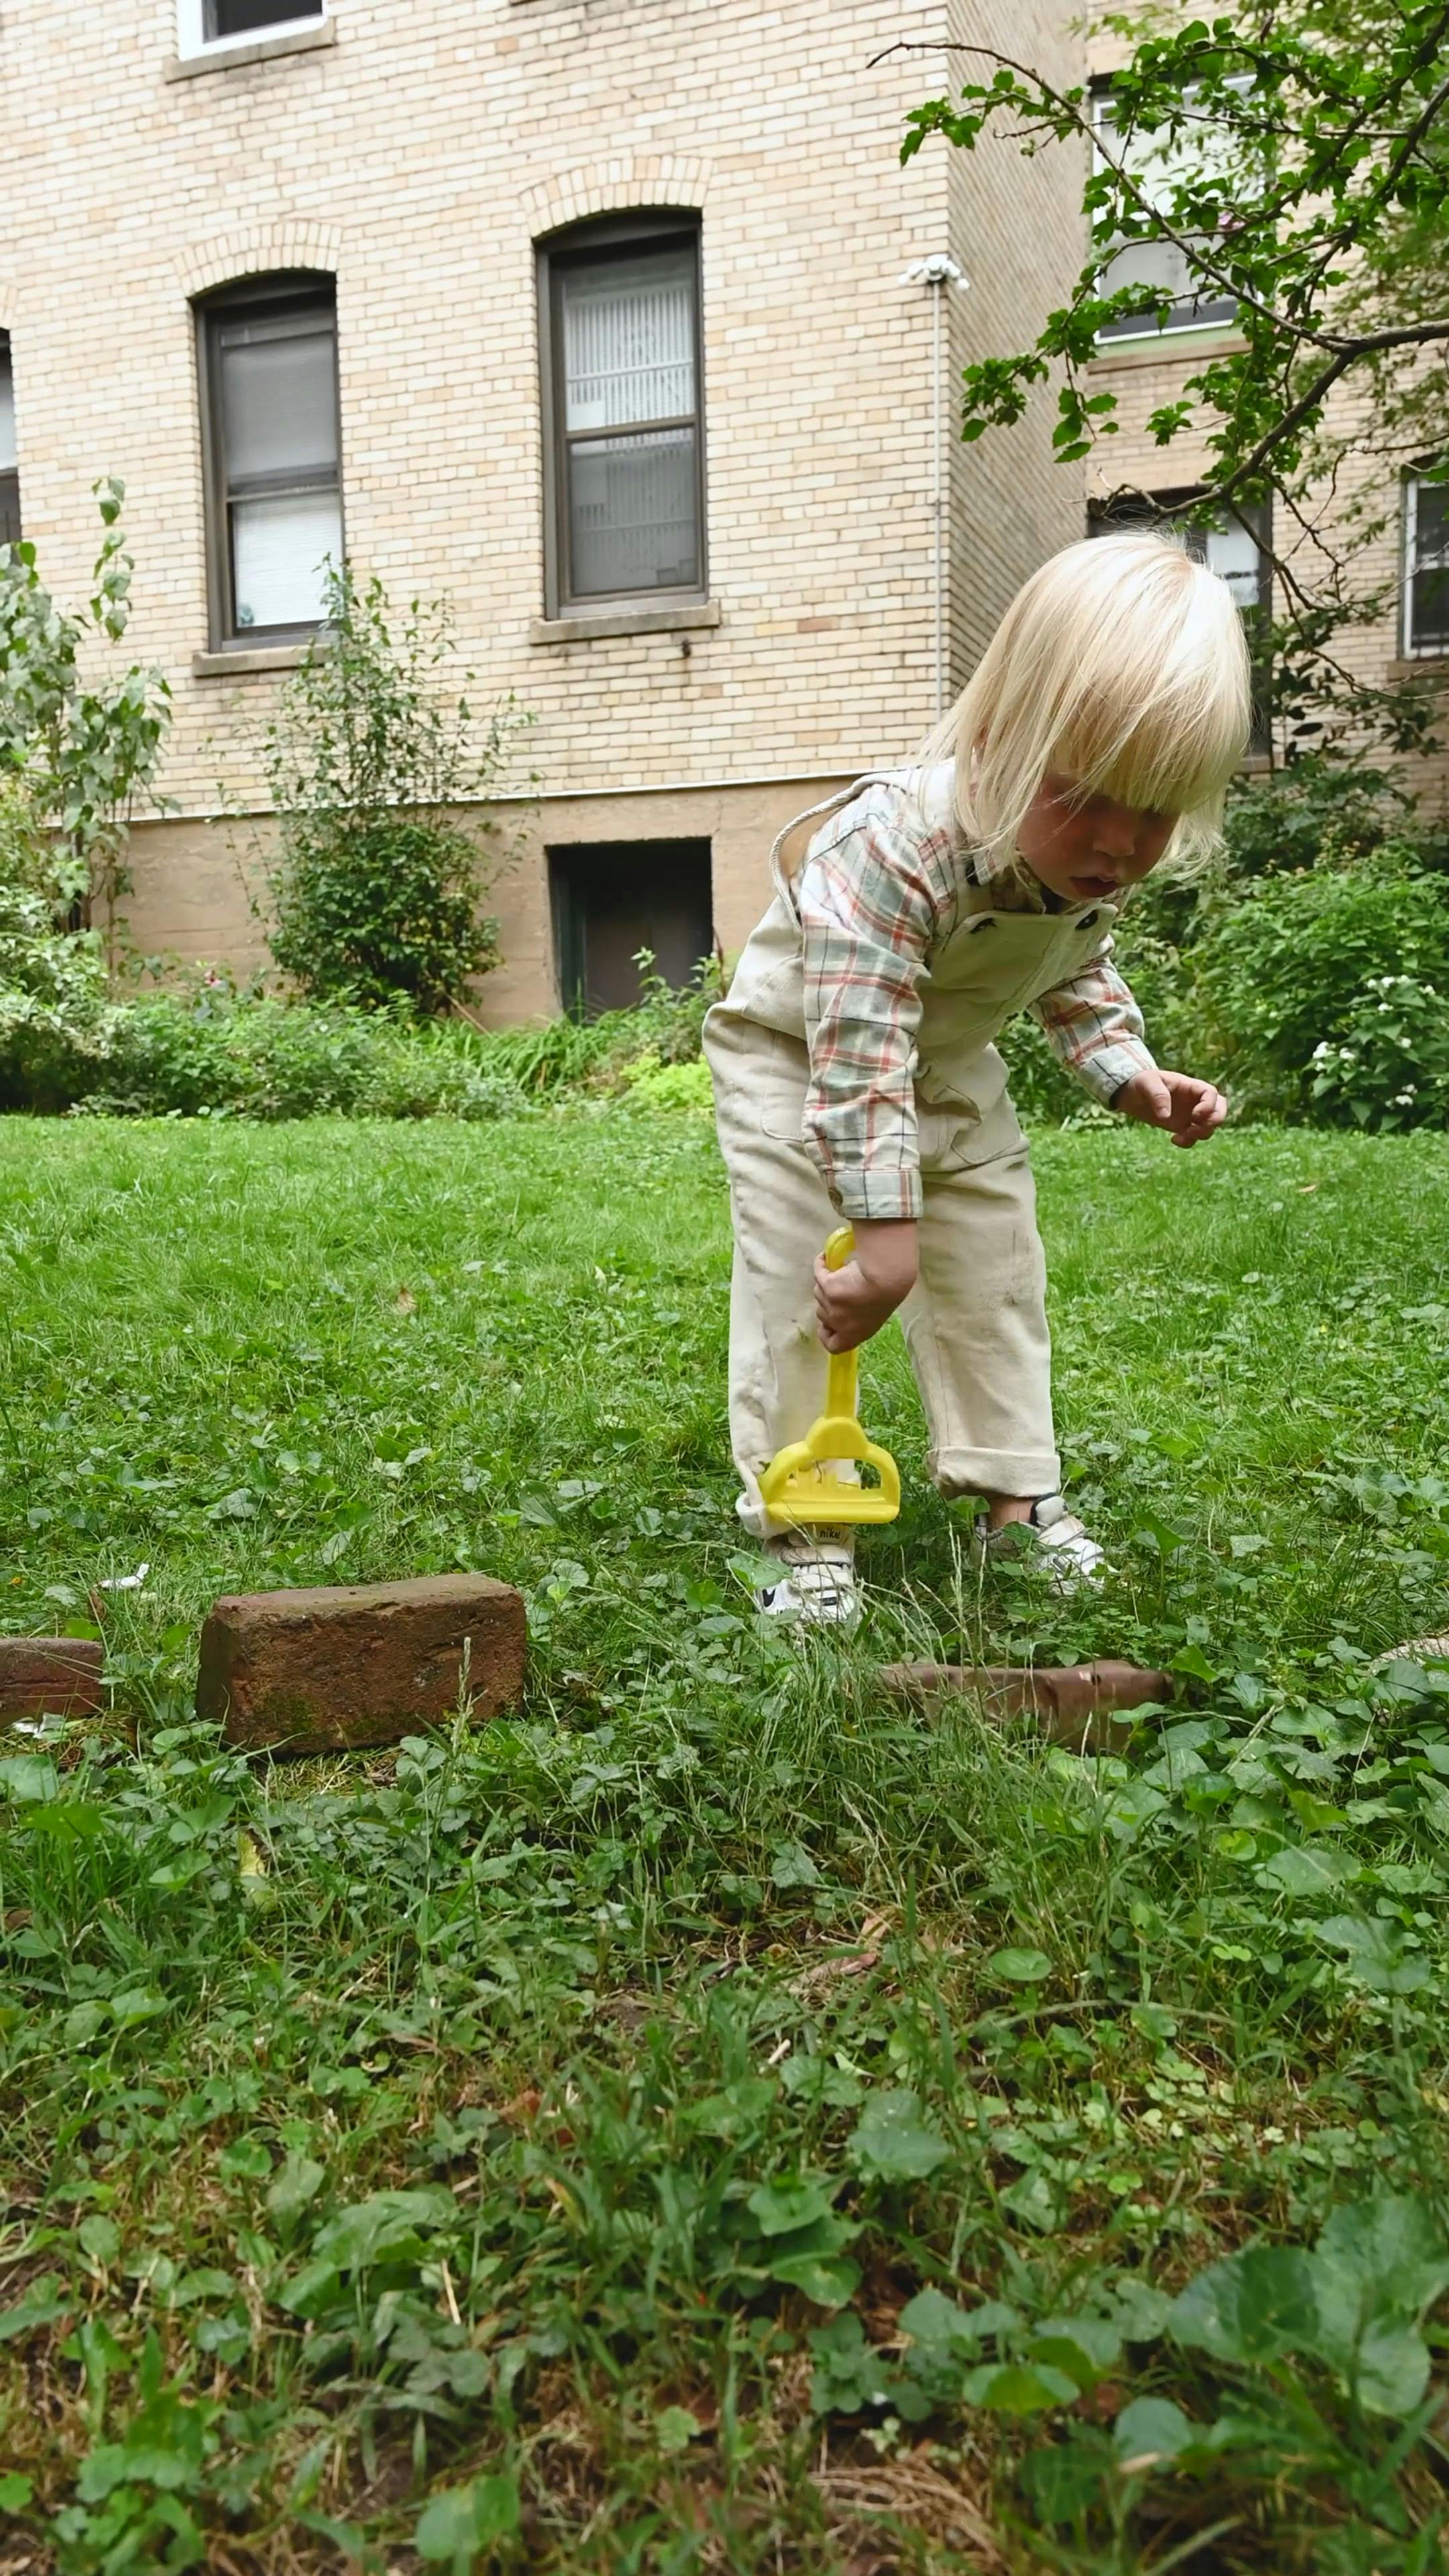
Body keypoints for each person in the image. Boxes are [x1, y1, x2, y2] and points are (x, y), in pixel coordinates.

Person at [702, 530, 1251, 1626]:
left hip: (944, 1064)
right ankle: (809, 1526)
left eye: (1156, 811)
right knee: (811, 1281)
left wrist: (1128, 1071)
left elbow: (1076, 963)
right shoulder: (892, 847)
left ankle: (1015, 1496)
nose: (1117, 841)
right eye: (1088, 794)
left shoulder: (1085, 857)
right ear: (1002, 736)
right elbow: (857, 1050)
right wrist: (884, 1235)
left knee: (999, 1266)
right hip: (804, 1058)